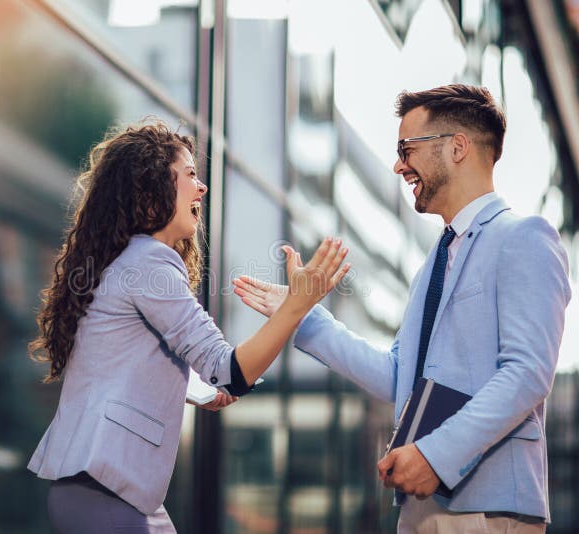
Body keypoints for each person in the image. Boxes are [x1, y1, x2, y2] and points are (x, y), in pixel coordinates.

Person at [233, 84, 571, 533]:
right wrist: (301, 314)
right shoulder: (435, 260)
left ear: (457, 147)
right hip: (422, 505)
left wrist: (436, 455)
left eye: (406, 148)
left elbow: (528, 372)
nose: (398, 164)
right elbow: (400, 379)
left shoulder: (525, 238)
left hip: (486, 508)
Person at [26, 121, 350, 533]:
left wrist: (200, 388)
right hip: (107, 490)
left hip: (105, 491)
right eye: (190, 174)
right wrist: (297, 305)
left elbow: (121, 357)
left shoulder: (126, 261)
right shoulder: (150, 261)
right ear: (151, 190)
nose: (202, 188)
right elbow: (229, 370)